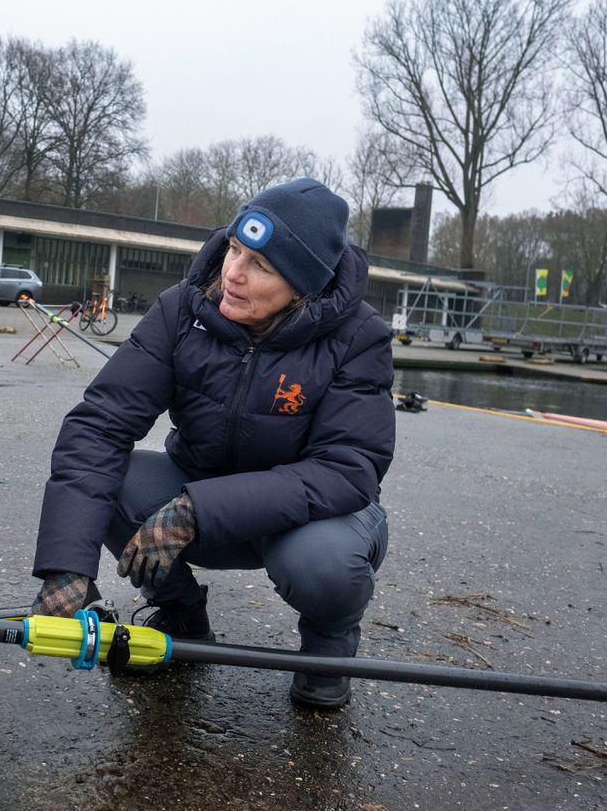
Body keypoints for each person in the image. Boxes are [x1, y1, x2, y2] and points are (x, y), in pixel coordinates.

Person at [30, 178, 394, 710]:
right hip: (198, 487)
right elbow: (100, 426)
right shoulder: (184, 308)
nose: (232, 274)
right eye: (234, 249)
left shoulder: (360, 337)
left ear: (305, 287)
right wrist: (66, 568)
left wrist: (197, 511)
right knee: (108, 480)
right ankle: (181, 613)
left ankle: (327, 646)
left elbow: (347, 469)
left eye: (261, 267)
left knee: (325, 563)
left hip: (307, 519)